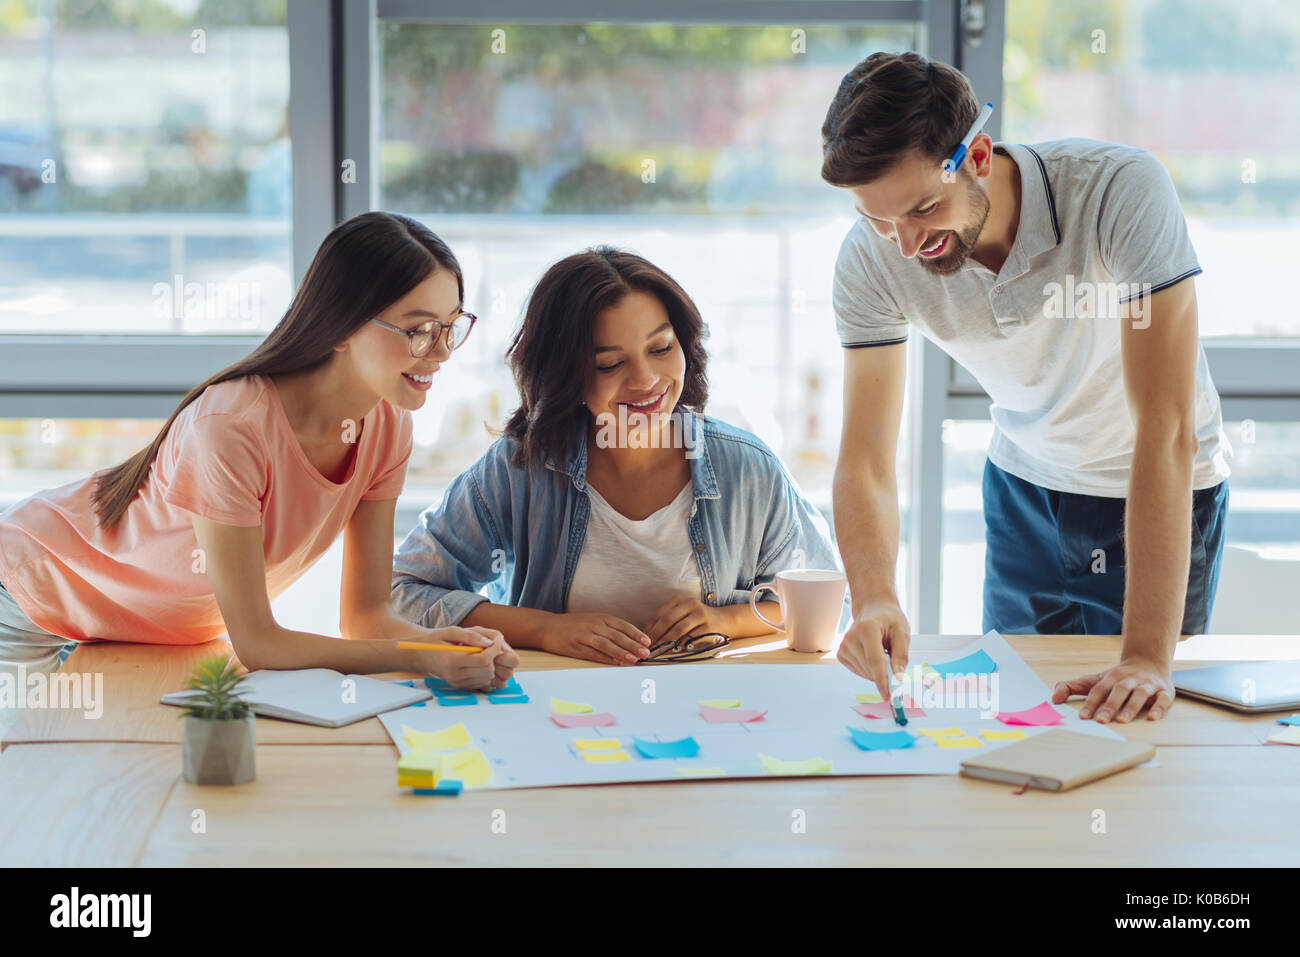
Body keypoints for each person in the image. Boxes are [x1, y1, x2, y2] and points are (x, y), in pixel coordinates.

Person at [820, 52, 1230, 723]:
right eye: (879, 219)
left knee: (1136, 721)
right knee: (1013, 716)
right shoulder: (872, 259)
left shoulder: (1117, 190)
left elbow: (1166, 425)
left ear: (978, 155)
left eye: (924, 207)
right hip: (1022, 491)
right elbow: (864, 458)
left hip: (1154, 486)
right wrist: (874, 597)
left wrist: (1149, 658)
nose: (904, 245)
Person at [0, 212, 517, 691]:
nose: (442, 352)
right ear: (341, 325)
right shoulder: (232, 426)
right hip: (26, 598)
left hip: (137, 634)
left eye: (450, 327)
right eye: (419, 330)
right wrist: (422, 660)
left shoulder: (387, 426)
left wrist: (438, 643)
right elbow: (258, 643)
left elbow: (364, 616)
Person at [391, 248, 842, 665]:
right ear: (564, 376)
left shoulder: (747, 468)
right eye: (610, 364)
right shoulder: (519, 468)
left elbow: (825, 603)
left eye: (661, 348)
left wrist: (725, 620)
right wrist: (545, 630)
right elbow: (400, 592)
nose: (646, 380)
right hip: (557, 716)